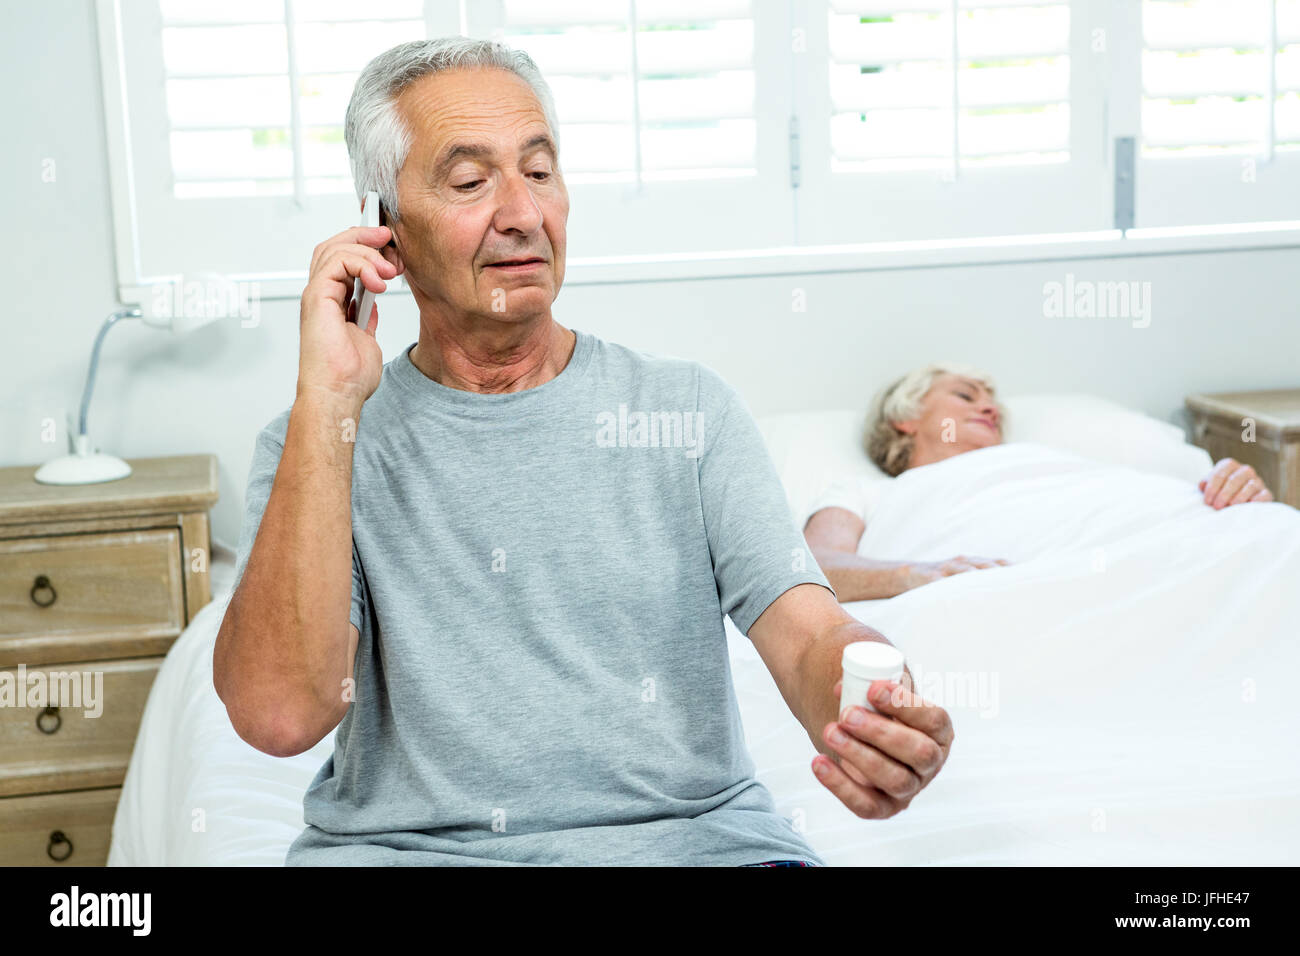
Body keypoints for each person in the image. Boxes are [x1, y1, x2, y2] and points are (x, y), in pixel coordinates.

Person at [212, 38, 954, 867]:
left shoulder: (687, 412)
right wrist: (328, 401)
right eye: (469, 181)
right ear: (384, 229)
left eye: (539, 170)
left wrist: (870, 706)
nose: (523, 213)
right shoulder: (318, 440)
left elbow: (809, 633)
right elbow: (279, 714)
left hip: (699, 851)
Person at [805, 363, 1275, 604]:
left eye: (993, 404)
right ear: (903, 418)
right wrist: (916, 575)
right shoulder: (869, 494)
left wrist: (1237, 490)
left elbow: (1137, 508)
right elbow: (812, 569)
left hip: (1188, 550)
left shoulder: (1053, 464)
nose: (989, 408)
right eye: (965, 396)